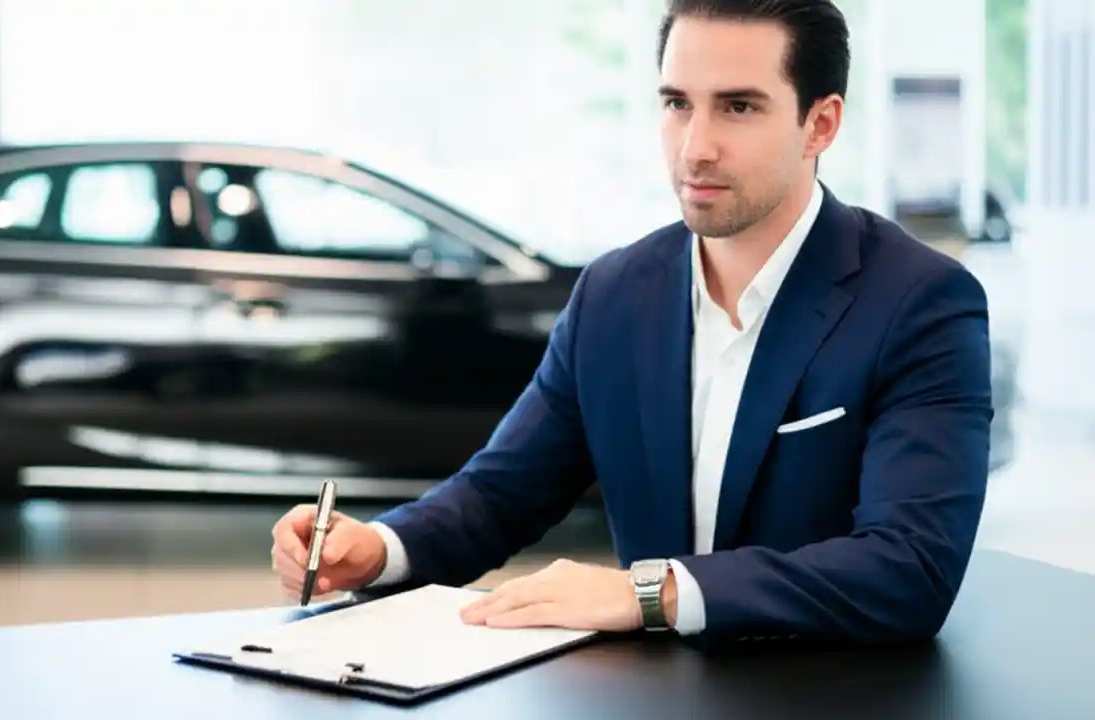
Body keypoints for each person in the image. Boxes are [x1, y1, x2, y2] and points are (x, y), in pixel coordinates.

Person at [271, 0, 992, 646]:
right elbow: (499, 495)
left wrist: (648, 591)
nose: (694, 147)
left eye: (737, 107)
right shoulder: (615, 293)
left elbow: (910, 567)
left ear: (821, 123)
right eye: (677, 103)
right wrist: (377, 546)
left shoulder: (920, 302)